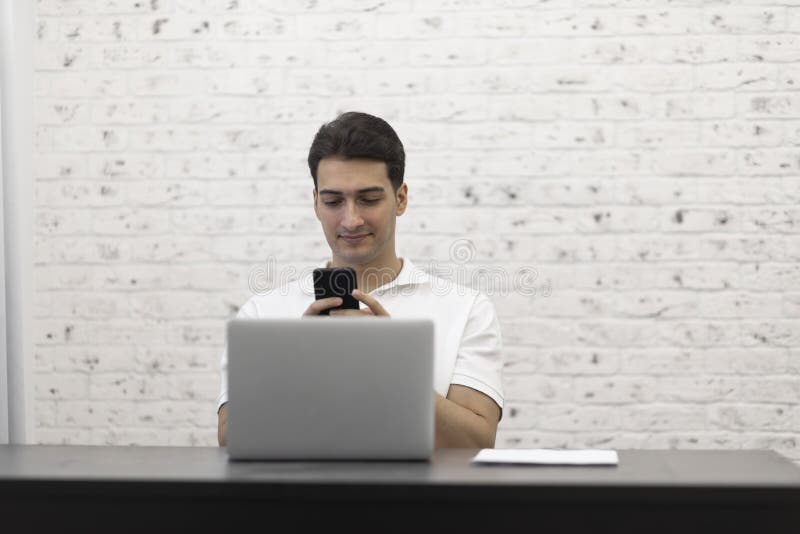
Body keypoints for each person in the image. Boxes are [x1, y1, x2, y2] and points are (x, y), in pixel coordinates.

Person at [216, 111, 503, 448]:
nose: (351, 220)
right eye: (333, 201)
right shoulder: (262, 313)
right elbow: (229, 439)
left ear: (400, 199)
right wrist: (295, 362)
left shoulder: (466, 309)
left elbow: (475, 444)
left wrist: (390, 365)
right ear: (315, 203)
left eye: (368, 200)